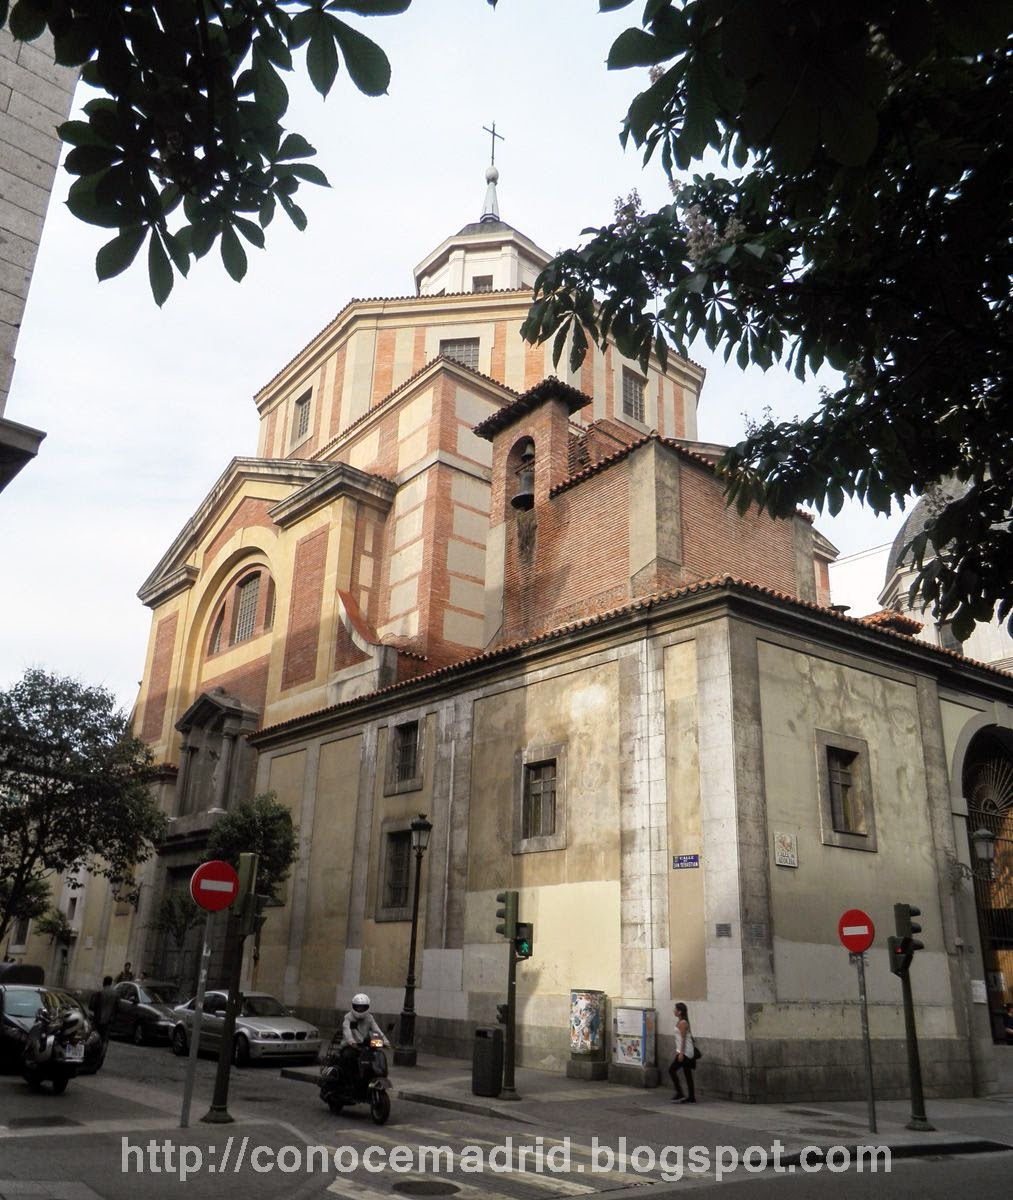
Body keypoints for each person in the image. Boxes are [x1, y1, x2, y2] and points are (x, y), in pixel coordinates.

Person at [339, 993, 389, 1084]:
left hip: (364, 1046)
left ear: (367, 1007)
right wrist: (351, 1041)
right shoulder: (348, 1017)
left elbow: (376, 1029)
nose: (360, 1009)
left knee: (375, 1056)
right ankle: (348, 1083)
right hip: (349, 1046)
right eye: (357, 1007)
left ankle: (367, 1079)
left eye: (362, 1007)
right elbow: (347, 1031)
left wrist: (384, 1041)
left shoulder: (369, 1018)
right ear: (354, 1006)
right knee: (349, 1057)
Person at [668, 1001, 697, 1103]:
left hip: (686, 1052)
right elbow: (680, 1038)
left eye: (675, 1009)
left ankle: (680, 1093)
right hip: (684, 1051)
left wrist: (681, 1053)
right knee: (687, 1073)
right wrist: (678, 1051)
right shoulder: (680, 1022)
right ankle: (691, 1097)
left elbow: (683, 1039)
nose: (674, 1010)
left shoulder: (683, 1023)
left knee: (671, 1070)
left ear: (679, 1011)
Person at [90, 975, 118, 1045]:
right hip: (109, 1021)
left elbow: (91, 1006)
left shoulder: (99, 993)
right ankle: (102, 1052)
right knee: (105, 1039)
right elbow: (118, 1007)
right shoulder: (116, 994)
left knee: (95, 1038)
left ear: (104, 982)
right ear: (111, 983)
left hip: (98, 1020)